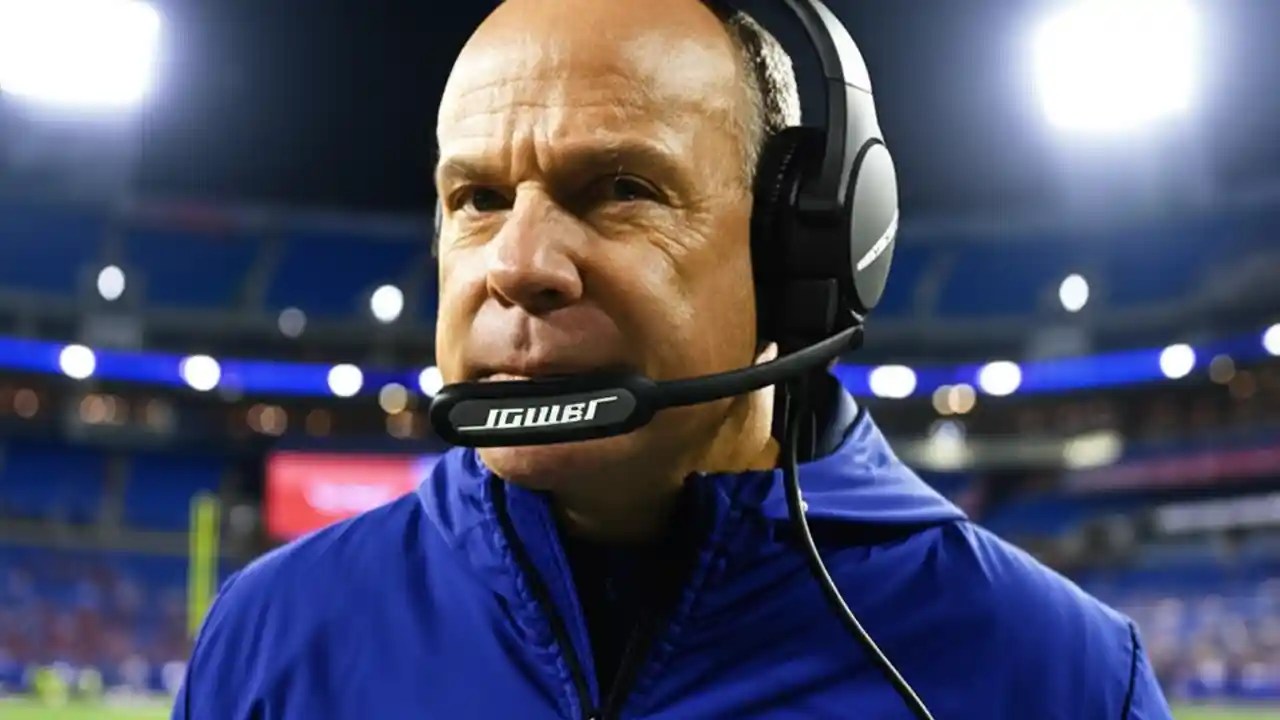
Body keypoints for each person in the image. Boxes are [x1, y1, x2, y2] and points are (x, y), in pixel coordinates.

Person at [175, 1, 1174, 718]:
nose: (517, 267)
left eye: (617, 188)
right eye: (476, 199)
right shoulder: (275, 631)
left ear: (798, 256)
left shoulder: (1060, 675)